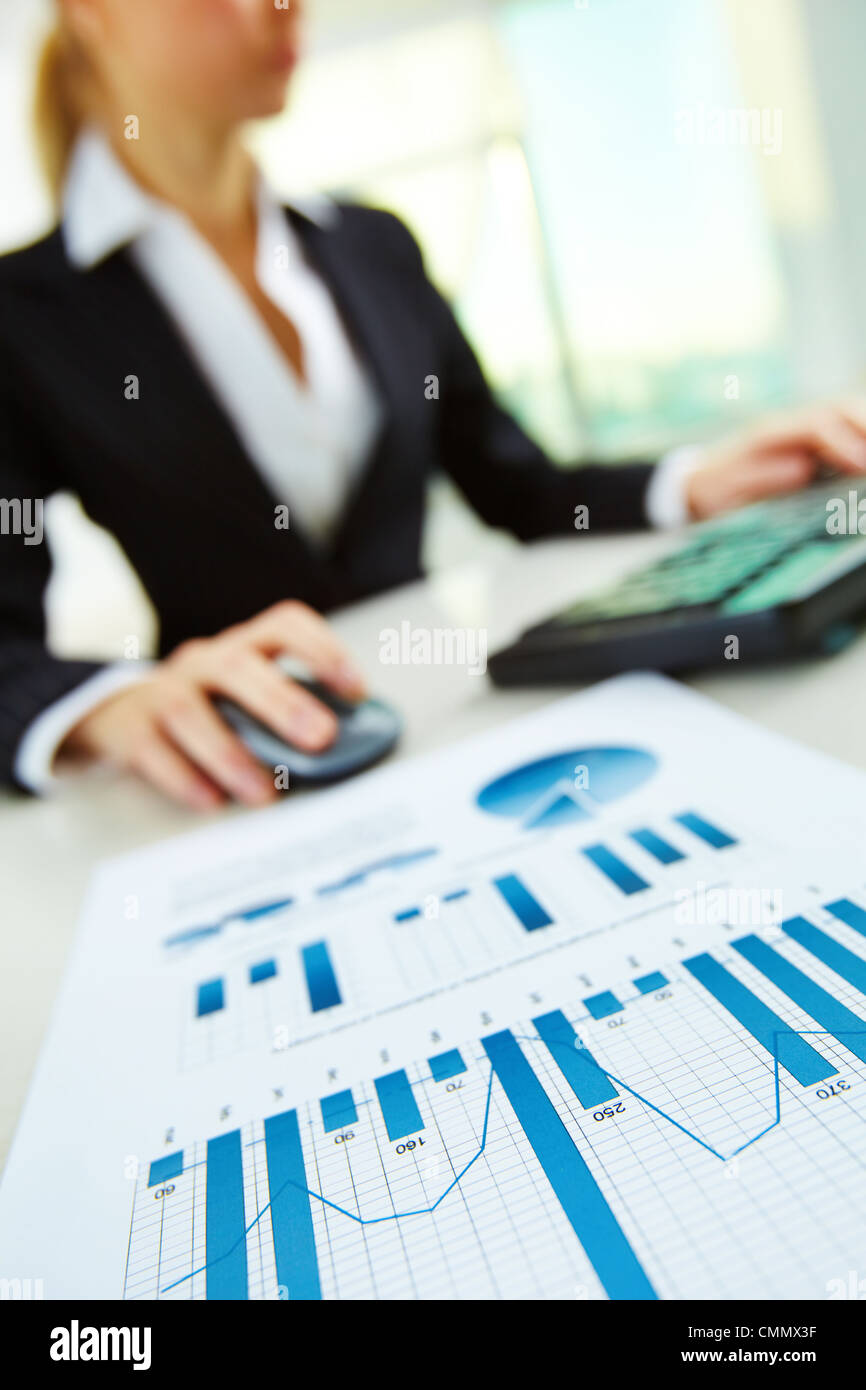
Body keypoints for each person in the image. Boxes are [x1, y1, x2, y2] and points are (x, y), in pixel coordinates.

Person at [2, 0, 866, 810]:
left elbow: (516, 486)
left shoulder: (373, 246)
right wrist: (108, 708)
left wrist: (696, 480)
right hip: (238, 784)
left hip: (461, 721)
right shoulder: (23, 316)